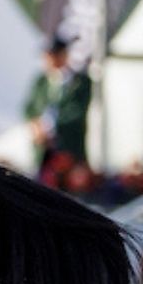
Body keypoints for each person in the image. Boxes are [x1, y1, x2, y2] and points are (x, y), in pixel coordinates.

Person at [25, 33, 93, 190]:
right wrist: (36, 127)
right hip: (43, 153)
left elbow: (76, 113)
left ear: (63, 55)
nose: (48, 60)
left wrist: (51, 130)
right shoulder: (41, 82)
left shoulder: (80, 82)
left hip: (69, 151)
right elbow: (29, 108)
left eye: (52, 55)